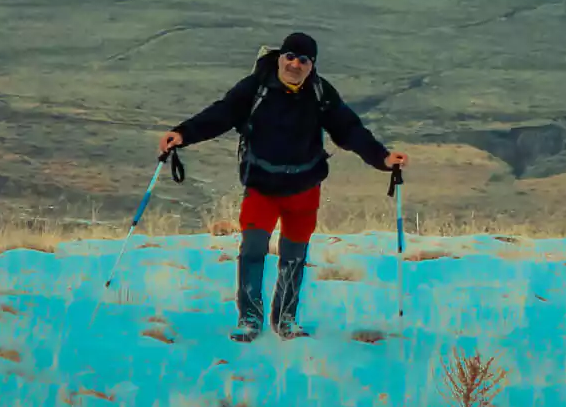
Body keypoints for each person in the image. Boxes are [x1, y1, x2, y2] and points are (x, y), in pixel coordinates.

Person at [158, 31, 409, 341]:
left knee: (294, 255)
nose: (295, 64)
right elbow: (221, 113)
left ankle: (286, 319)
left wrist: (382, 158)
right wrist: (183, 133)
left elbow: (349, 129)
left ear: (311, 65)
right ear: (280, 57)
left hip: (304, 187)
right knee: (252, 250)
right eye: (290, 56)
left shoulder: (320, 92)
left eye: (303, 60)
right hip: (262, 185)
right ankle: (250, 318)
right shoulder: (256, 88)